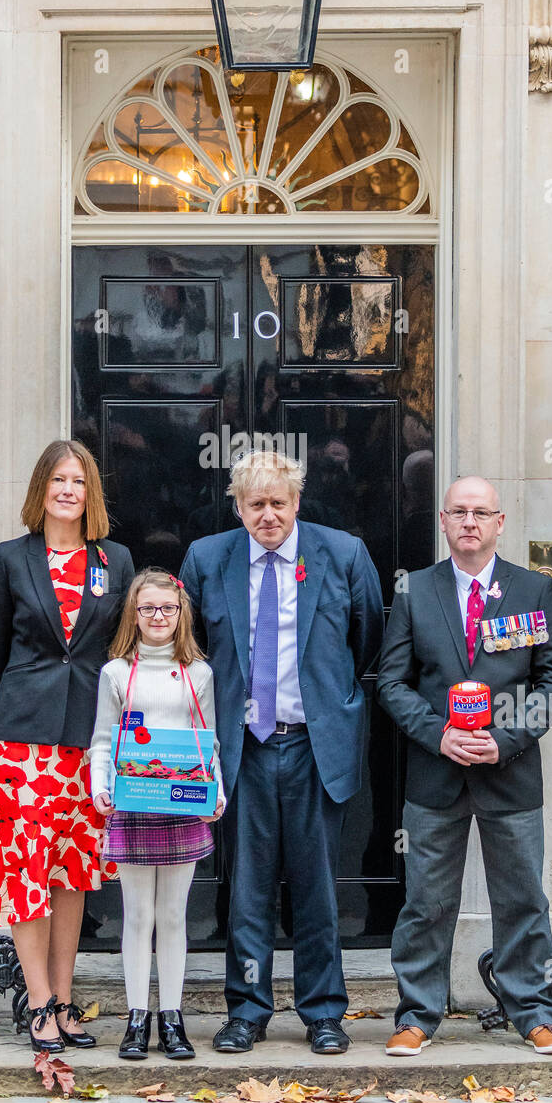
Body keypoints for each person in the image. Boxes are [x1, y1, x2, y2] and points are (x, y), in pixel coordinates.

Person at [179, 449, 383, 1055]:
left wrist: (328, 701)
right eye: (256, 504)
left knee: (319, 888)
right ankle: (247, 1009)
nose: (268, 515)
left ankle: (323, 1012)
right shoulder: (208, 559)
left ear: (297, 502)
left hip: (314, 747)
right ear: (238, 507)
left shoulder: (343, 553)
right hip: (240, 747)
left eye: (278, 502)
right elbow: (189, 646)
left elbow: (365, 636)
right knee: (247, 889)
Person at [376, 475, 552, 1057]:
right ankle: (417, 1015)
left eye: (480, 513)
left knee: (523, 899)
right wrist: (440, 737)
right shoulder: (416, 590)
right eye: (458, 512)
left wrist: (505, 738)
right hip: (435, 776)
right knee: (427, 902)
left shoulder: (534, 590)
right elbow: (392, 681)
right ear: (442, 520)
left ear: (499, 523)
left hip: (509, 774)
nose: (469, 522)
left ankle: (534, 1012)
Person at [0, 439, 134, 1052]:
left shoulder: (114, 560)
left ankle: (67, 1000)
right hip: (23, 739)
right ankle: (38, 1003)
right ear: (41, 489)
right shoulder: (11, 559)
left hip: (89, 738)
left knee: (75, 872)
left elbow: (120, 654)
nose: (68, 490)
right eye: (58, 480)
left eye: (79, 481)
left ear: (90, 494)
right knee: (27, 871)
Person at [90, 569, 225, 1060]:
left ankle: (172, 1016)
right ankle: (136, 1018)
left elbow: (207, 743)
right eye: (147, 609)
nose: (158, 617)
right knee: (137, 914)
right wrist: (99, 789)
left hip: (183, 804)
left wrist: (217, 793)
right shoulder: (115, 673)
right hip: (132, 803)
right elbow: (103, 741)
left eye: (167, 609)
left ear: (180, 613)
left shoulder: (199, 673)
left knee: (172, 914)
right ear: (134, 614)